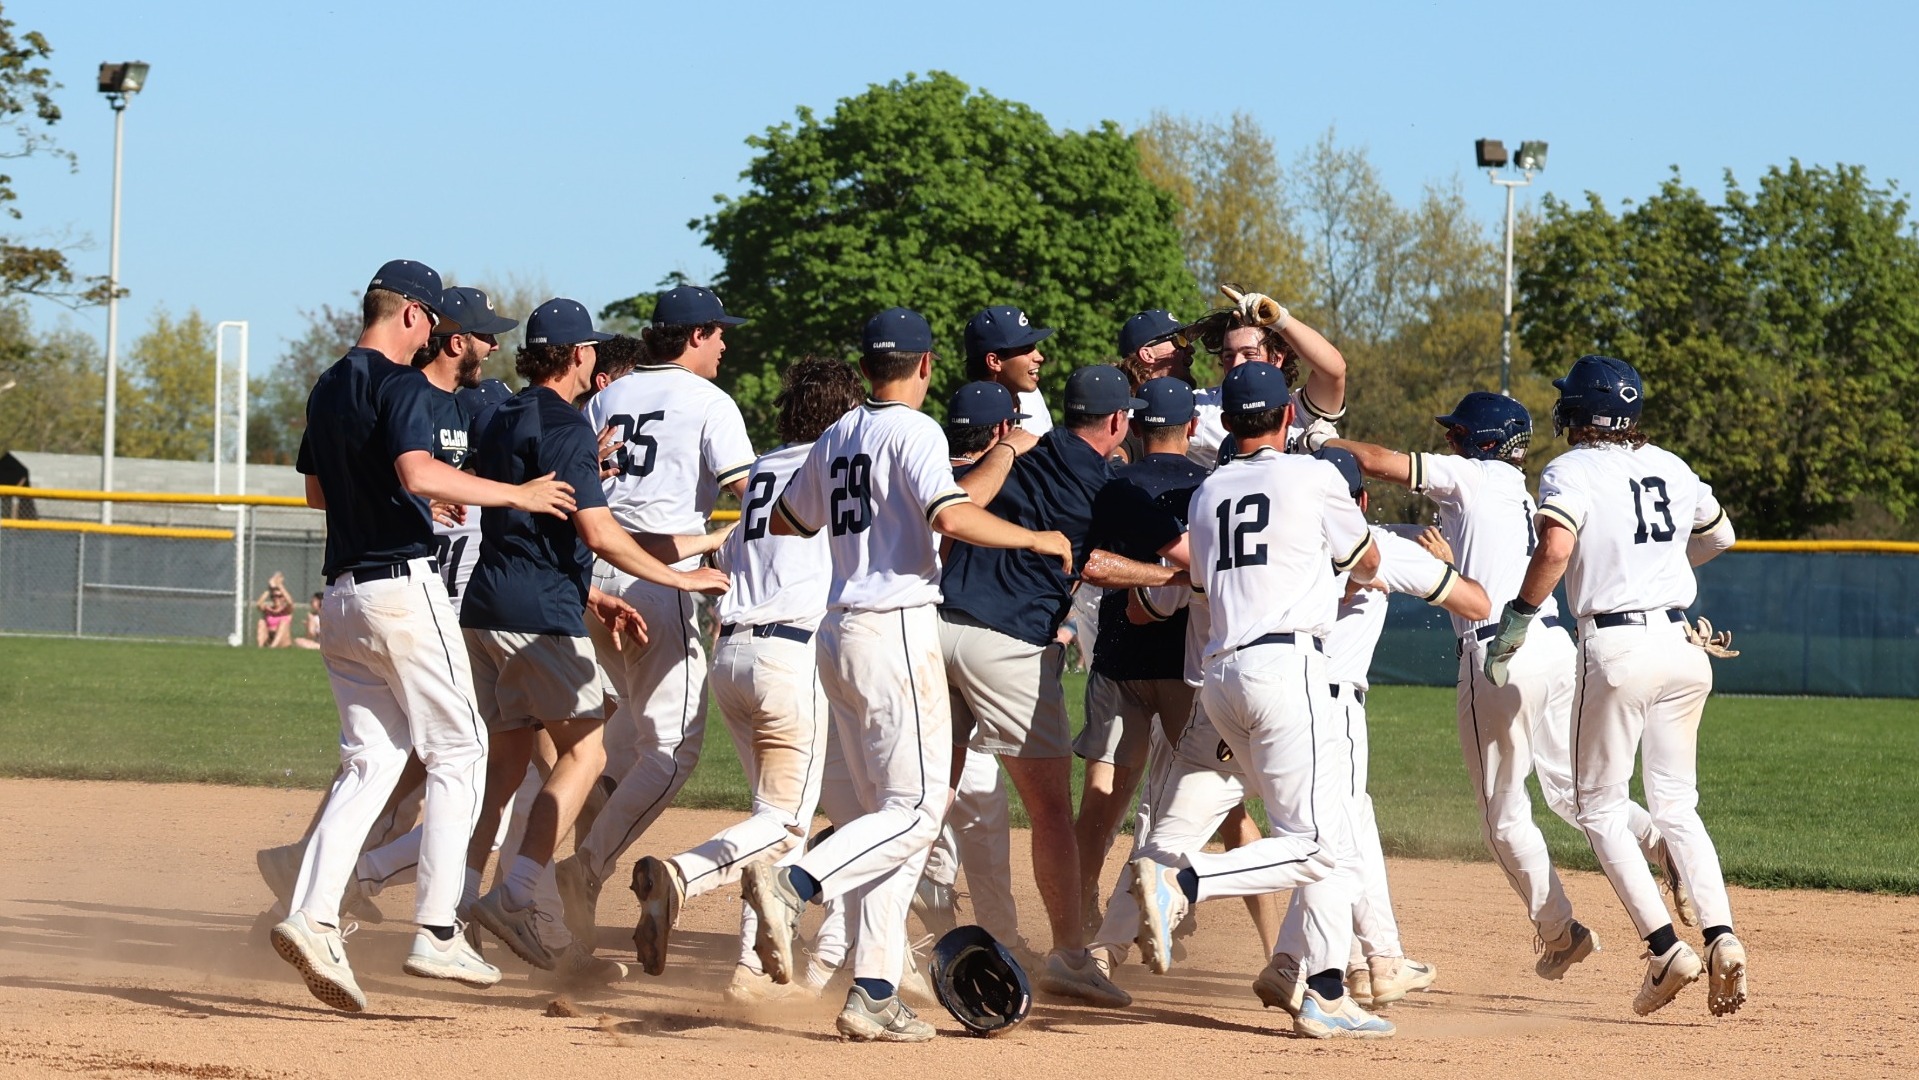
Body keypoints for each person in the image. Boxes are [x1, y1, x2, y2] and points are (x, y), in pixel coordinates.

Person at [741, 306, 1073, 1043]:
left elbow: (788, 522)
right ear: (924, 366)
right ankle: (795, 882)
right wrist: (1037, 537)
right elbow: (953, 518)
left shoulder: (835, 434)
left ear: (865, 369)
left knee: (888, 822)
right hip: (893, 628)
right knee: (918, 812)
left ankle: (874, 992)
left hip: (836, 632)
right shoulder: (914, 429)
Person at [274, 259, 574, 1012]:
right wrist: (519, 494)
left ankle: (311, 917)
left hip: (341, 598)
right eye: (433, 318)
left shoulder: (330, 380)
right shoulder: (401, 382)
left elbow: (318, 488)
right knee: (462, 751)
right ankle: (437, 930)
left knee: (371, 762)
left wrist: (394, 503)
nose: (438, 331)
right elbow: (416, 471)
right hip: (400, 593)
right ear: (410, 314)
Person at [1323, 391, 1694, 980]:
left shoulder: (1469, 477)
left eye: (1456, 433)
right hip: (1555, 645)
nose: (1448, 441)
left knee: (1502, 815)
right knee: (1575, 790)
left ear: (1480, 442)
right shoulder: (1524, 494)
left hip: (1499, 648)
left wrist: (1312, 442)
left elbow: (1374, 459)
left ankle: (1558, 931)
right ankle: (1659, 845)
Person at [459, 298, 729, 985]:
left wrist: (597, 581)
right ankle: (529, 890)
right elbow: (601, 532)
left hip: (492, 605)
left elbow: (529, 501)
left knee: (517, 767)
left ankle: (462, 911)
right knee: (598, 752)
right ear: (580, 356)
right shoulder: (577, 423)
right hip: (546, 606)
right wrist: (682, 577)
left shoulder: (508, 413)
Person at [1126, 361, 1394, 1039]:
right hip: (1287, 669)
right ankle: (1183, 884)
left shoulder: (1208, 489)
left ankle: (1325, 991)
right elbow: (1363, 563)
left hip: (1220, 675)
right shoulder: (1312, 475)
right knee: (1311, 847)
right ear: (1283, 418)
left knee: (1323, 835)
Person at [1484, 354, 1743, 1018]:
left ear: (1575, 413)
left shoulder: (1569, 470)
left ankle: (1664, 949)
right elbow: (1719, 534)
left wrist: (1516, 618)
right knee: (1677, 807)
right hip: (1683, 644)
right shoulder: (1671, 465)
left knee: (1597, 807)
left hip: (1617, 645)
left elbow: (1554, 551)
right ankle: (1720, 937)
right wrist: (1656, 564)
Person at [937, 364, 1189, 1008]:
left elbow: (1080, 556)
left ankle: (836, 913)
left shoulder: (1019, 450)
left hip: (938, 634)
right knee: (1050, 812)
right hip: (1010, 649)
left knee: (921, 797)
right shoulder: (1108, 487)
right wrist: (1163, 580)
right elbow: (1181, 556)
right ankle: (1071, 956)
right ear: (1115, 422)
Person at [625, 355, 863, 985]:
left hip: (732, 655)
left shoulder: (760, 474)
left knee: (770, 822)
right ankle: (680, 876)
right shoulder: (833, 469)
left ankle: (749, 974)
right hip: (792, 659)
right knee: (786, 824)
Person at [561, 285, 756, 937]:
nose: (725, 342)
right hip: (656, 578)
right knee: (671, 749)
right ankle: (586, 864)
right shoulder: (708, 402)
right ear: (694, 335)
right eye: (718, 332)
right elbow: (753, 494)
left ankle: (534, 874)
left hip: (591, 577)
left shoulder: (607, 396)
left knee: (613, 733)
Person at [1071, 378, 1207, 934]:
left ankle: (1075, 923)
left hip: (1118, 659)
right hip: (1186, 665)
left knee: (1100, 807)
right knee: (1216, 804)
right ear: (1193, 428)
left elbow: (1088, 560)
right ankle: (1275, 949)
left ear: (1135, 425)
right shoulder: (1211, 487)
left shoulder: (1112, 482)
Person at [1183, 288, 1347, 468]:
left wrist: (1281, 321)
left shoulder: (1300, 412)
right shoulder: (1200, 408)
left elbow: (1334, 371)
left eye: (1249, 354)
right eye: (1228, 355)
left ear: (1276, 358)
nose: (1237, 364)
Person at [963, 305, 1054, 435]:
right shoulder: (969, 415)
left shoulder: (1032, 397)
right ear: (994, 361)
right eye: (1026, 350)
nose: (1039, 357)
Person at [255, 573, 295, 647]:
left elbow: (290, 602)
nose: (276, 598)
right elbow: (258, 604)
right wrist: (270, 588)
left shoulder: (286, 610)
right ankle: (260, 647)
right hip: (269, 637)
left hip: (282, 641)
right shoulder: (268, 609)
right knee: (261, 622)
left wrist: (279, 585)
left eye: (279, 596)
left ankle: (272, 647)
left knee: (283, 623)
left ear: (283, 598)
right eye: (273, 596)